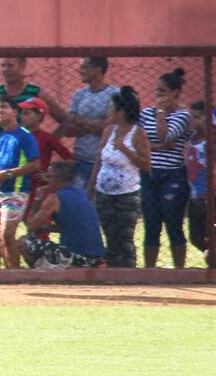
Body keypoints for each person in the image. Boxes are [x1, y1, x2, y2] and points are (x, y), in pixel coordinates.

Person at [86, 86, 149, 269]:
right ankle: (113, 274)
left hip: (127, 194)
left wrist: (125, 148)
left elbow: (146, 164)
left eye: (112, 108)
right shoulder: (109, 131)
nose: (108, 111)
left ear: (121, 112)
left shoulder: (138, 133)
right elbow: (99, 160)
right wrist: (91, 187)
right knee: (110, 237)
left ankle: (129, 274)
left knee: (125, 238)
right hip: (104, 193)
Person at [139, 68, 192, 268]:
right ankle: (149, 271)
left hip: (173, 176)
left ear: (175, 92)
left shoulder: (182, 116)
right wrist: (159, 146)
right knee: (151, 225)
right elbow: (139, 142)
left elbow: (165, 136)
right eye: (157, 90)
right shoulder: (146, 114)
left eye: (163, 91)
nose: (158, 95)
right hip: (149, 174)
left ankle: (179, 271)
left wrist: (161, 112)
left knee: (173, 223)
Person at [21, 161, 105, 269]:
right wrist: (47, 228)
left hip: (77, 257)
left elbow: (30, 226)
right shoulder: (79, 192)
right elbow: (74, 224)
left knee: (23, 242)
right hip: (96, 258)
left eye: (49, 176)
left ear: (58, 178)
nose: (46, 180)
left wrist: (38, 199)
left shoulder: (55, 198)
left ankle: (42, 274)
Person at [0, 95, 40, 268]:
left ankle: (16, 273)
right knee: (0, 236)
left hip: (16, 191)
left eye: (3, 107)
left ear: (15, 111)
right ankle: (9, 271)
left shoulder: (24, 136)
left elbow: (35, 164)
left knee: (7, 234)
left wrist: (10, 174)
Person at [59, 56, 118, 188]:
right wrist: (96, 125)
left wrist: (81, 120)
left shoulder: (114, 94)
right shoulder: (79, 95)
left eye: (84, 67)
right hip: (81, 160)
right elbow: (68, 129)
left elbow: (110, 128)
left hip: (106, 161)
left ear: (97, 70)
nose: (79, 71)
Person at [0, 56, 67, 124]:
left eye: (10, 65)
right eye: (3, 65)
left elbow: (65, 120)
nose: (5, 69)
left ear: (22, 66)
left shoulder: (36, 92)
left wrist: (50, 136)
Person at [186, 102, 209, 266]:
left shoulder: (211, 140)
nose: (192, 121)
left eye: (197, 117)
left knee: (211, 233)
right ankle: (211, 256)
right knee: (195, 237)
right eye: (191, 117)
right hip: (194, 195)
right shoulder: (192, 138)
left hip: (209, 195)